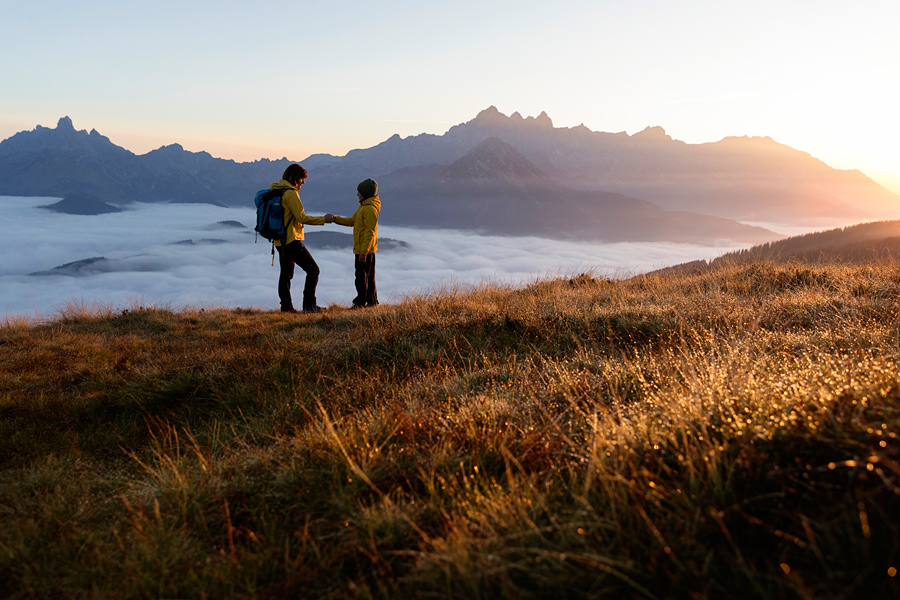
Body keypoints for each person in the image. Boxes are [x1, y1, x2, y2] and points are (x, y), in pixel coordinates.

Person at [270, 164, 334, 313]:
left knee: (285, 274)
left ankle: (286, 308)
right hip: (291, 240)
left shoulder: (277, 190)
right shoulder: (291, 193)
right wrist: (323, 219)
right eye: (301, 179)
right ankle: (309, 306)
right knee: (313, 270)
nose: (303, 183)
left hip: (279, 241)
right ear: (294, 178)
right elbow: (301, 217)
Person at [334, 178, 380, 308]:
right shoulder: (363, 207)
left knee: (361, 277)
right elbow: (352, 221)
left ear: (365, 194)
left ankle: (360, 303)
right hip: (365, 249)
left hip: (364, 250)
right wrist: (335, 219)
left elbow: (369, 233)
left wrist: (363, 252)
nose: (357, 194)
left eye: (359, 192)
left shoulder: (369, 209)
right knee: (368, 277)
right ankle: (372, 302)